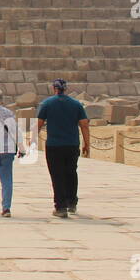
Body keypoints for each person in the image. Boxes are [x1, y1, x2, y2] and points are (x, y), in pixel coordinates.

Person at [37, 78, 89, 217]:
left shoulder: (47, 103)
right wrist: (87, 143)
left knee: (57, 175)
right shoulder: (76, 104)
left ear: (54, 89)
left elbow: (39, 124)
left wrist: (31, 141)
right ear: (65, 89)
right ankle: (72, 202)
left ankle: (60, 207)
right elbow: (84, 124)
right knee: (71, 173)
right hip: (72, 144)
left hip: (54, 145)